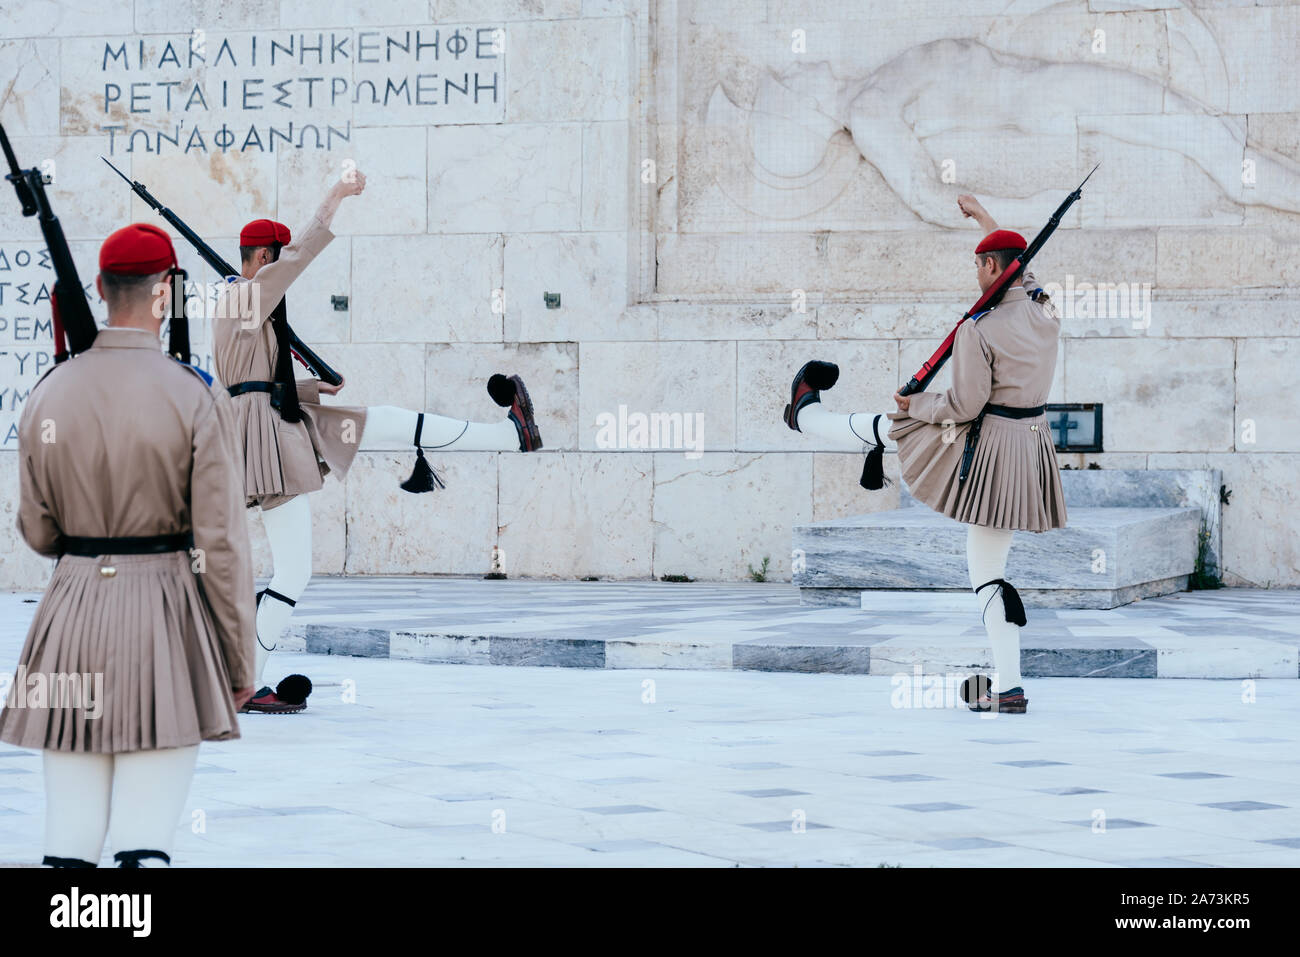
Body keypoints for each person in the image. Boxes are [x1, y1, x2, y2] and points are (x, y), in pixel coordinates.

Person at [211, 169, 542, 713]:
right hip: (266, 436)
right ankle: (242, 681)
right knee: (295, 568)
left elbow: (247, 380)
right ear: (264, 257)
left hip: (276, 418)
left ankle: (510, 436)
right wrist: (334, 198)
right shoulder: (244, 296)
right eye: (277, 258)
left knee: (377, 423)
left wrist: (312, 386)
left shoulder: (238, 302)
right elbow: (296, 263)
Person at [0, 223, 256, 866]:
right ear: (165, 293)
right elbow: (219, 544)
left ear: (99, 289)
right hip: (163, 614)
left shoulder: (48, 394)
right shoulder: (193, 393)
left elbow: (36, 531)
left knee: (69, 841)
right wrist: (236, 660)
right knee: (144, 841)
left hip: (71, 614)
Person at [783, 194, 1067, 713]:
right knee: (990, 568)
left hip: (991, 447)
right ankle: (1007, 686)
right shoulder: (1045, 313)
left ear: (987, 267)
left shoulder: (977, 331)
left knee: (984, 574)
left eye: (979, 264)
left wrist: (917, 401)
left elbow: (963, 403)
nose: (976, 273)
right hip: (1030, 445)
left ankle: (1008, 688)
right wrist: (984, 219)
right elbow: (1023, 272)